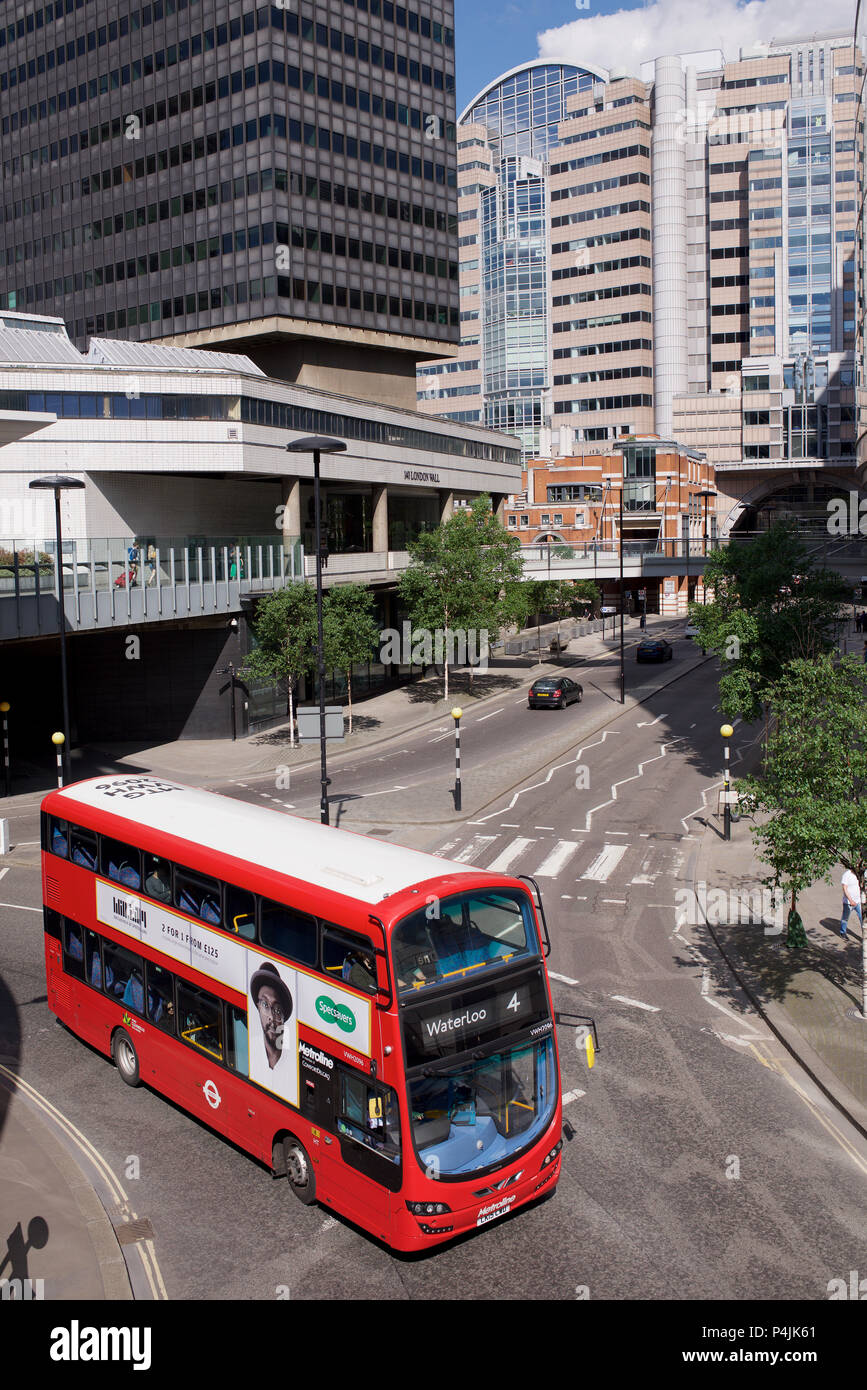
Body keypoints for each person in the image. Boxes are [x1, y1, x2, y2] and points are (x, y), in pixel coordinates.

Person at [250, 962, 293, 1071]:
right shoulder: (252, 1051)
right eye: (265, 1005)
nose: (271, 1017)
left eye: (278, 1010)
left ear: (284, 1016)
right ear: (258, 1007)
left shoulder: (291, 1058)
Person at [840, 868, 862, 938]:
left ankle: (865, 934)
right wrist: (850, 900)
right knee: (845, 918)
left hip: (859, 901)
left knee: (863, 918)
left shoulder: (859, 874)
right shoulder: (847, 875)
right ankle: (842, 932)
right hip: (848, 902)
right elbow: (844, 888)